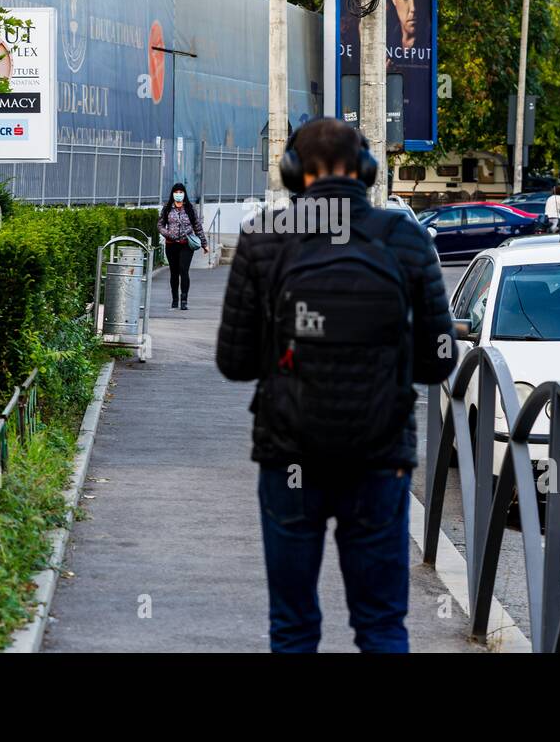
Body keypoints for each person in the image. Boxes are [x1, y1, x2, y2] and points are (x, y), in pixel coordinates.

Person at [215, 117, 456, 653]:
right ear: (366, 170)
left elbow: (233, 362)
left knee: (294, 626)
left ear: (292, 172)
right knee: (381, 626)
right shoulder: (405, 239)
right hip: (380, 458)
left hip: (289, 455)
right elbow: (438, 362)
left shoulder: (263, 240)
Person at [157, 183, 207, 311]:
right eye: (176, 192)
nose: (178, 194)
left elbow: (197, 227)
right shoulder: (167, 208)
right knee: (174, 272)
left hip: (186, 244)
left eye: (181, 192)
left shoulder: (190, 209)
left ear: (184, 194)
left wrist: (204, 244)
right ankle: (175, 300)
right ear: (173, 194)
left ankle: (184, 300)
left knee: (184, 270)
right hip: (171, 245)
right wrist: (168, 233)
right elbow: (160, 225)